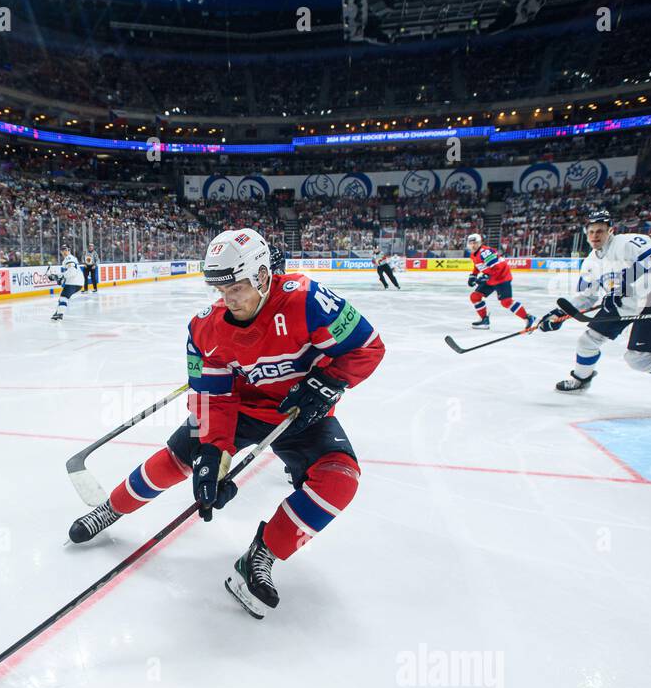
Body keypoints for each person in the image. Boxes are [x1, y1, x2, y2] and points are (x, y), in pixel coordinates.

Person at [68, 228, 386, 616]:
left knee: (340, 479)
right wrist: (211, 453)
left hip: (298, 415)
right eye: (220, 289)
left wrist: (331, 381)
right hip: (241, 410)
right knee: (178, 460)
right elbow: (212, 398)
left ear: (263, 276)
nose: (228, 299)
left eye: (237, 287)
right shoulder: (205, 327)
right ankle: (112, 508)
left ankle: (261, 553)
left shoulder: (308, 301)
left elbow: (368, 347)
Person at [538, 211, 651, 400]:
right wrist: (560, 314)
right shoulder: (590, 262)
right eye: (591, 232)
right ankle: (582, 379)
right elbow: (587, 296)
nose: (595, 236)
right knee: (587, 341)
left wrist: (630, 289)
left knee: (638, 359)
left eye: (600, 231)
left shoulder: (630, 243)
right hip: (622, 301)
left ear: (610, 231)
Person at [465, 233, 531, 329]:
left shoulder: (485, 252)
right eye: (471, 243)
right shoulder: (473, 254)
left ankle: (528, 318)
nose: (473, 245)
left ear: (479, 243)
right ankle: (484, 320)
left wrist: (485, 276)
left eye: (475, 243)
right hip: (491, 279)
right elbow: (478, 265)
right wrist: (473, 275)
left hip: (501, 277)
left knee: (506, 302)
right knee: (475, 297)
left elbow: (497, 267)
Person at [49, 246, 84, 320]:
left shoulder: (69, 258)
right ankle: (58, 312)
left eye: (65, 250)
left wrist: (60, 276)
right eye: (62, 250)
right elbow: (68, 272)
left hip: (74, 282)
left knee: (63, 297)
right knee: (62, 297)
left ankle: (60, 314)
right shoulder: (69, 258)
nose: (64, 252)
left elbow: (72, 271)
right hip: (75, 282)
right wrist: (60, 278)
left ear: (69, 250)